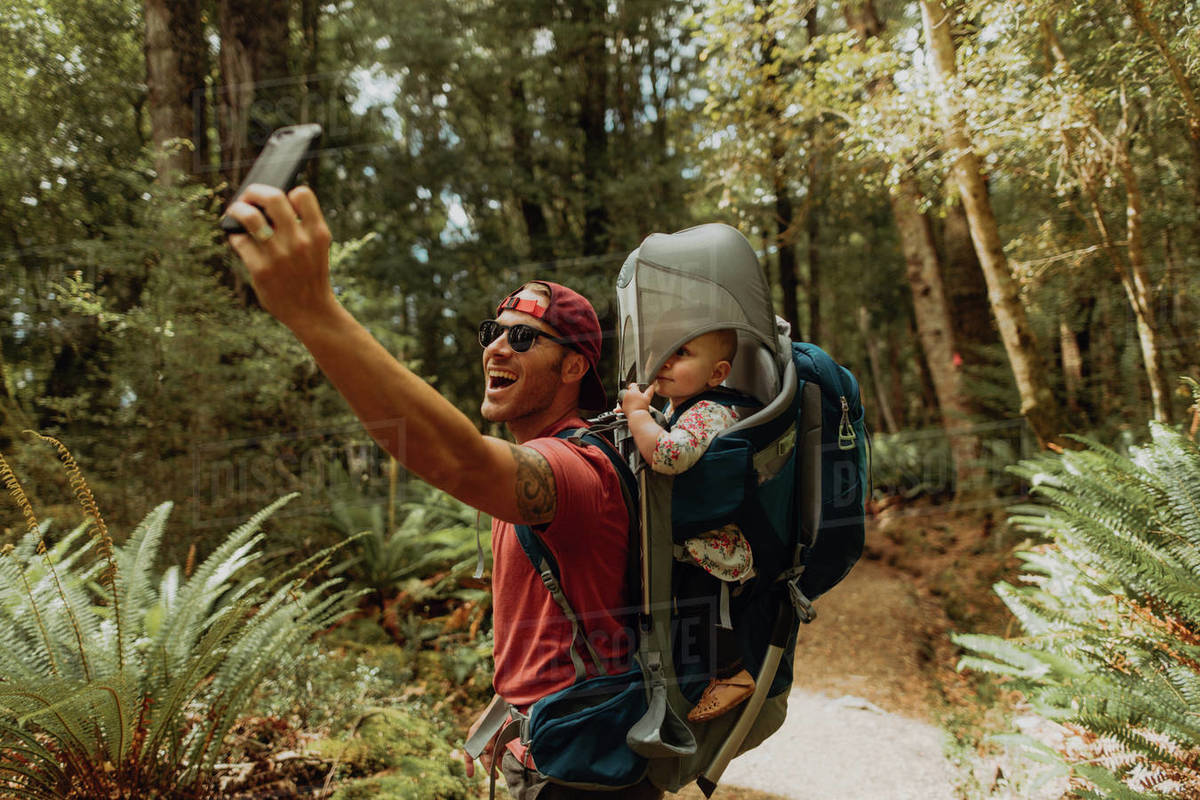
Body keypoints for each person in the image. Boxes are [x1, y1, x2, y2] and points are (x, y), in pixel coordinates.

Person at [224, 185, 662, 799]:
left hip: (582, 777)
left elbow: (454, 458)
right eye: (494, 330)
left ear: (574, 368)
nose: (495, 347)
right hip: (545, 756)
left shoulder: (573, 473)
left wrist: (315, 311)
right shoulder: (539, 465)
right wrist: (495, 727)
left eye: (524, 338)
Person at [619, 329, 757, 722]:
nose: (665, 360)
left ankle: (732, 675)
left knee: (708, 610)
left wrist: (637, 416)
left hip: (712, 546)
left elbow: (669, 454)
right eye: (663, 350)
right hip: (692, 541)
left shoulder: (708, 411)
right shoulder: (687, 408)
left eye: (681, 353)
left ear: (717, 374)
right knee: (690, 610)